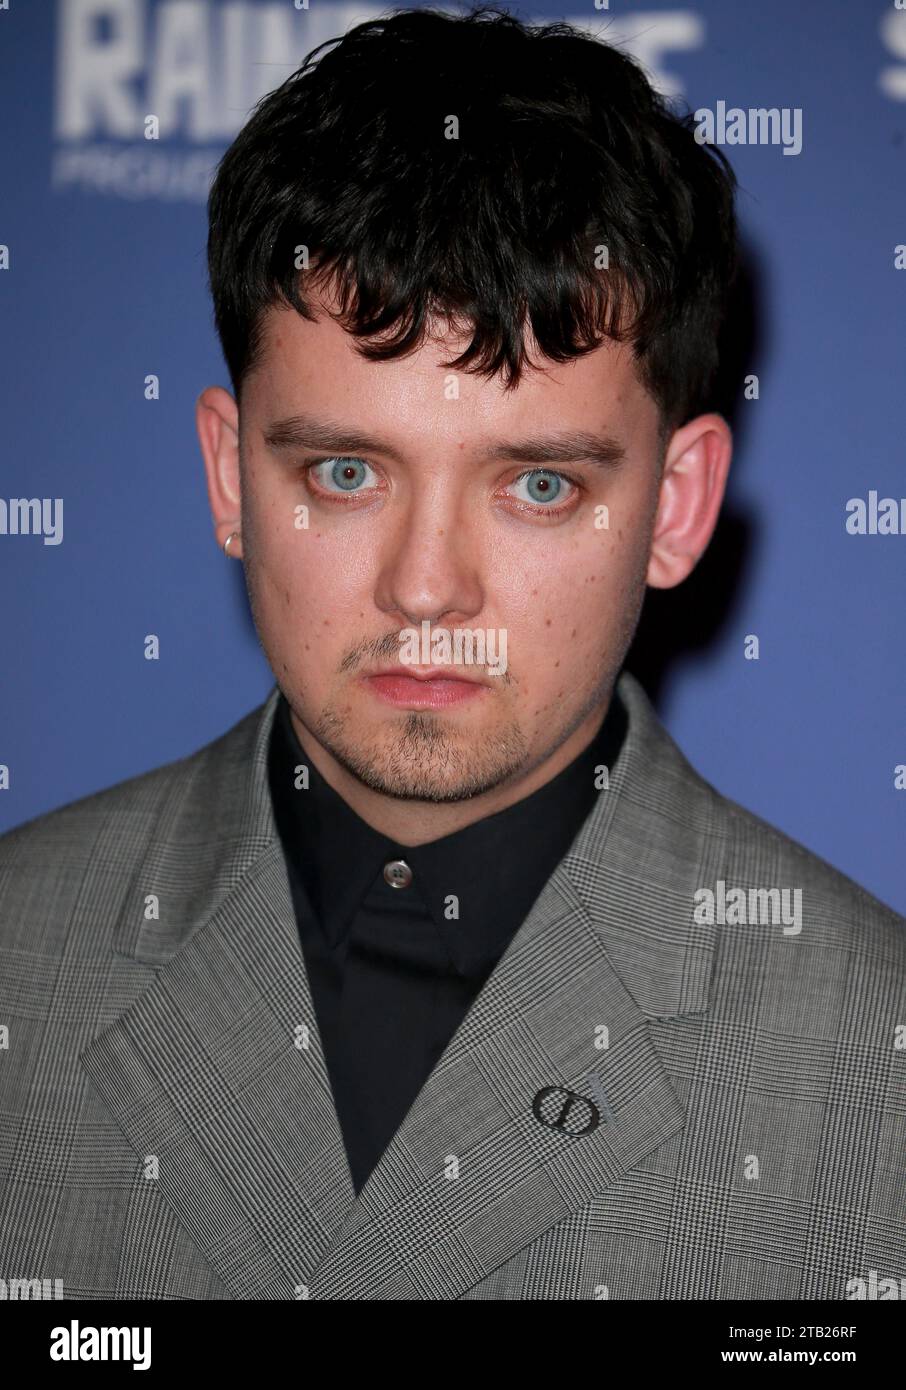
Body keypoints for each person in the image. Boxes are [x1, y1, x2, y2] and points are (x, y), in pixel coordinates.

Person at [0, 6, 903, 1302]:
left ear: (678, 505)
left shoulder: (880, 1079)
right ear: (227, 475)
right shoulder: (16, 956)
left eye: (536, 486)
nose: (427, 584)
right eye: (348, 470)